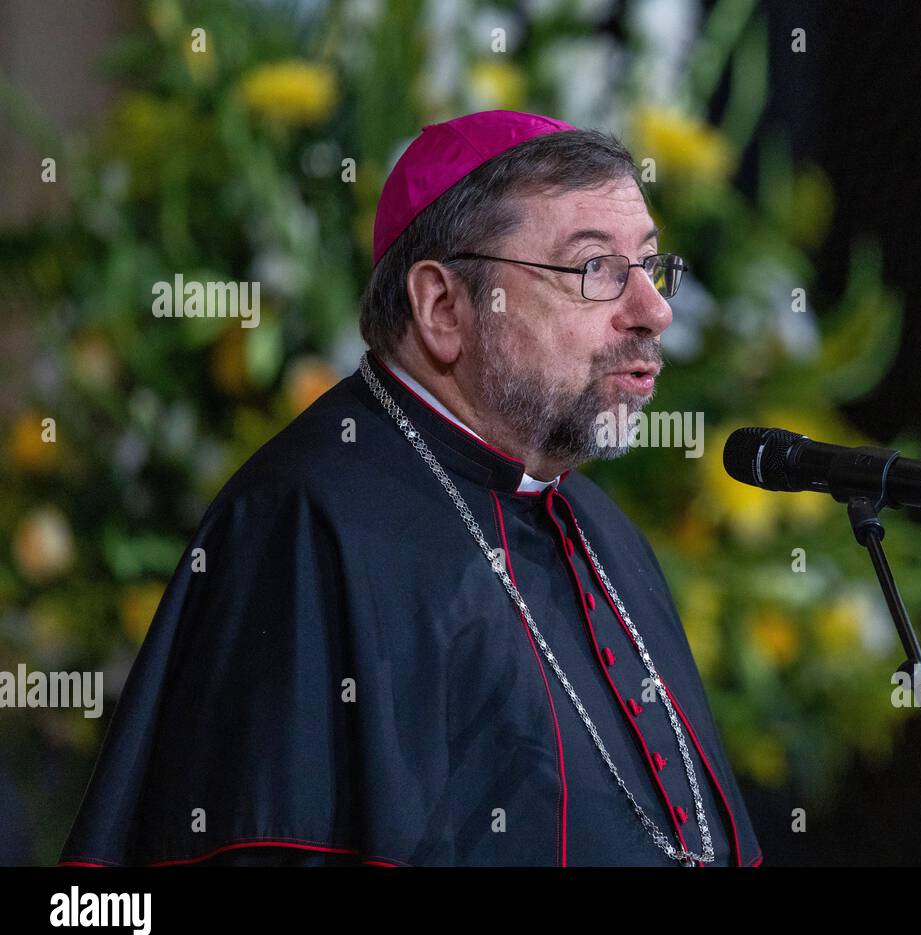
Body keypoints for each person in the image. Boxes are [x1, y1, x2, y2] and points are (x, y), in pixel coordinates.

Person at [58, 110, 764, 867]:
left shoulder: (601, 530)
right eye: (596, 269)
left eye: (652, 267)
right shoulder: (307, 523)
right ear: (442, 307)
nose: (654, 310)